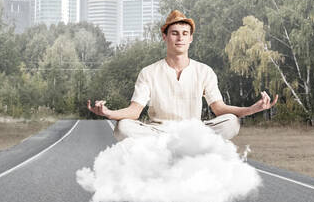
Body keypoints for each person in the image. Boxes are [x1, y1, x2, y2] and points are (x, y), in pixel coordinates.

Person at [87, 9, 272, 142]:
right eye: (174, 33)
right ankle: (171, 150)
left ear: (191, 38)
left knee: (231, 122)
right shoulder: (148, 72)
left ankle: (187, 148)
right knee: (124, 127)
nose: (180, 38)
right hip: (157, 132)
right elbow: (134, 112)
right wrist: (108, 113)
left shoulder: (204, 71)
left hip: (194, 132)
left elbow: (219, 109)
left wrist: (251, 109)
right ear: (164, 36)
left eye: (185, 34)